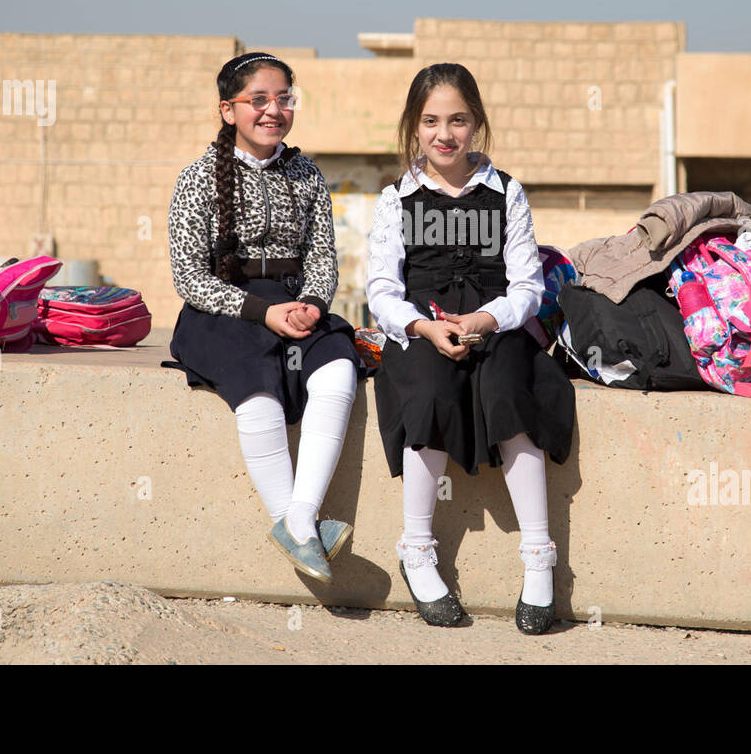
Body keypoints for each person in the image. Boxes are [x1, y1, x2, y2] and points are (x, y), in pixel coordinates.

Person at [366, 62, 575, 634]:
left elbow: (528, 286)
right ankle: (416, 548)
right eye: (431, 120)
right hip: (423, 328)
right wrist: (425, 328)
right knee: (430, 392)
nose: (445, 133)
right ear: (414, 126)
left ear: (476, 123)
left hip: (496, 323)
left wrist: (486, 319)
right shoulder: (395, 200)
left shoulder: (506, 191)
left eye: (458, 120)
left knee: (510, 392)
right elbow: (381, 290)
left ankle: (540, 557)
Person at [161, 51, 359, 584]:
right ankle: (300, 526)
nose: (274, 111)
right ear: (228, 110)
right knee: (258, 386)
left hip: (297, 305)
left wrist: (312, 307)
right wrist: (261, 311)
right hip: (224, 310)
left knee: (339, 369)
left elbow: (322, 258)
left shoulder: (307, 173)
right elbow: (189, 279)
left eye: (284, 99)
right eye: (259, 100)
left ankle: (297, 520)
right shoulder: (198, 178)